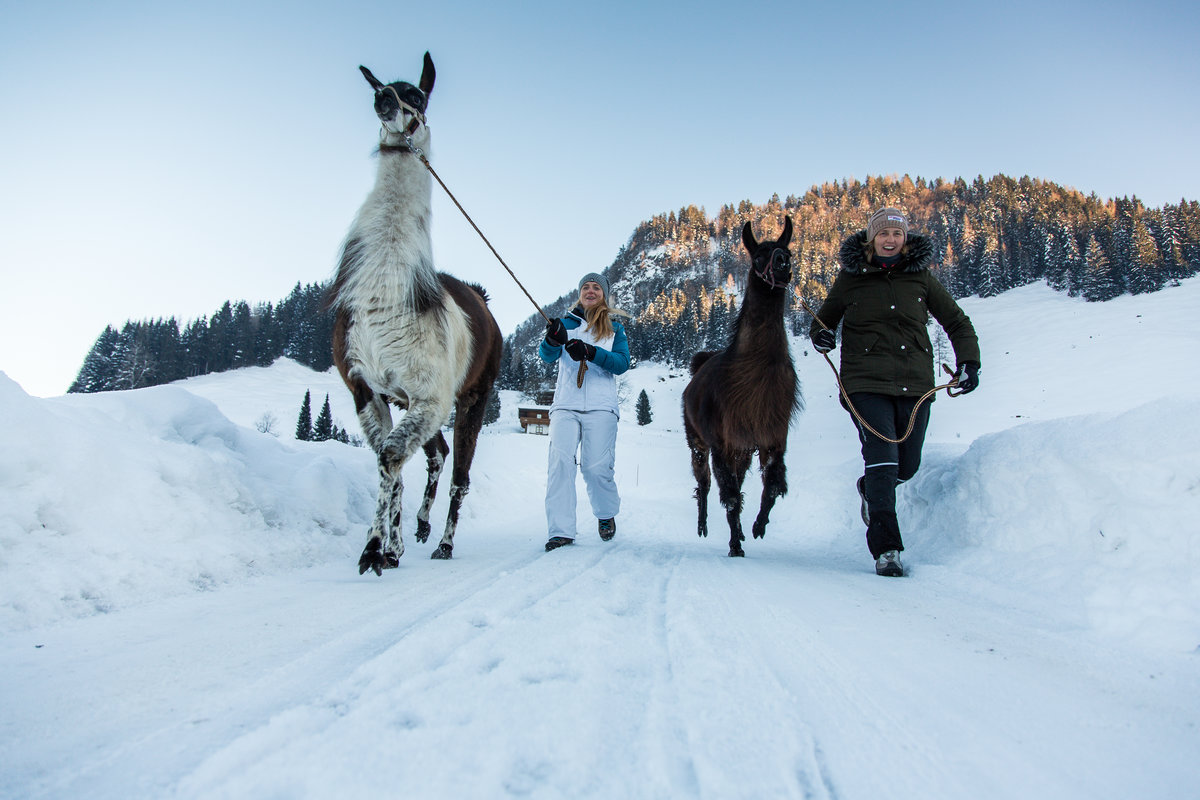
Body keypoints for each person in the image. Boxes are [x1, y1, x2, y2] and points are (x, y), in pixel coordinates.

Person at [810, 207, 980, 577]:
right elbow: (824, 318)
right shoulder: (851, 278)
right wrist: (821, 334)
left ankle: (871, 488)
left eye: (897, 234)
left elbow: (956, 321)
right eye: (883, 233)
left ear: (905, 239)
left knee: (908, 465)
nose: (890, 239)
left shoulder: (920, 278)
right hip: (864, 383)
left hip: (914, 384)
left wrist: (969, 362)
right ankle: (887, 550)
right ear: (871, 238)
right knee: (883, 457)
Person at [539, 272, 631, 551]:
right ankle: (561, 530)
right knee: (560, 464)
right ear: (579, 293)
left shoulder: (615, 328)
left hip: (601, 407)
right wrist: (553, 341)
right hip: (566, 404)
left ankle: (605, 514)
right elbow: (546, 356)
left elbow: (622, 363)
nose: (590, 291)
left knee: (596, 467)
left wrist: (592, 353)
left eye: (596, 288)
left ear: (604, 294)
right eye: (585, 287)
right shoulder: (564, 324)